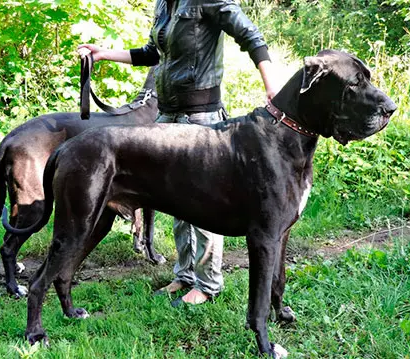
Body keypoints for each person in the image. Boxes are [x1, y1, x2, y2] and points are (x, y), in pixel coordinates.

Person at [78, 0, 279, 306]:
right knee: (175, 202)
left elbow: (250, 36)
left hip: (200, 118)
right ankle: (184, 274)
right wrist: (104, 54)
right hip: (167, 115)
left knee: (205, 206)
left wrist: (271, 88)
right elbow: (151, 53)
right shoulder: (164, 4)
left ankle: (208, 283)